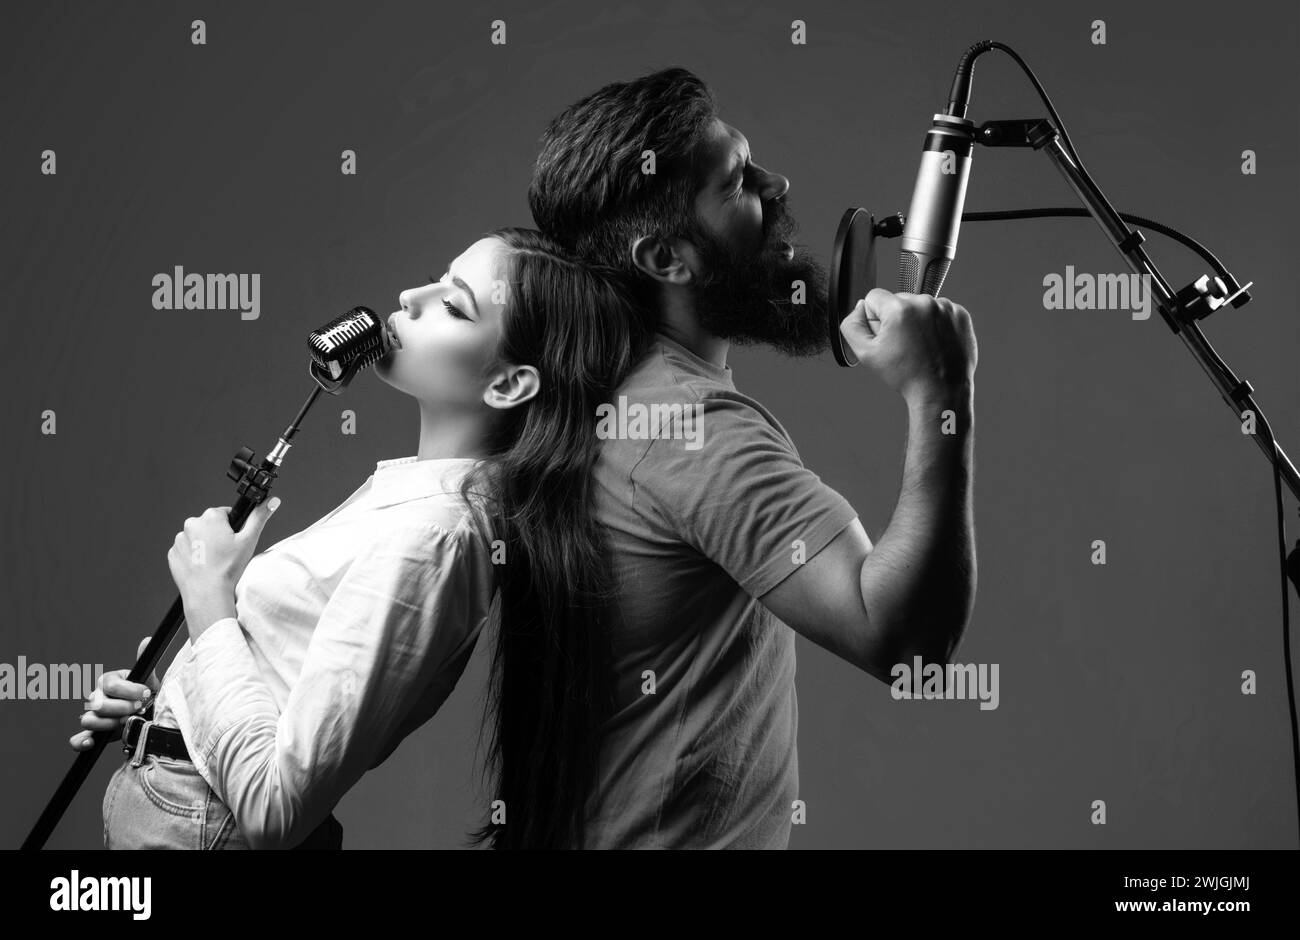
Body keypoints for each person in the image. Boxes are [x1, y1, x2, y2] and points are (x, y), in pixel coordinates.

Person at [502, 66, 980, 847]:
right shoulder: (692, 431)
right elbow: (904, 641)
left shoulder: (606, 394)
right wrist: (942, 391)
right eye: (737, 182)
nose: (777, 181)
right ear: (666, 259)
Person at [72, 227, 649, 849]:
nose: (410, 295)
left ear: (508, 385)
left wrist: (208, 598)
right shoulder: (414, 503)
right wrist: (167, 707)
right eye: (436, 276)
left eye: (454, 305)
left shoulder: (434, 539)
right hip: (177, 807)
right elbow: (281, 687)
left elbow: (275, 810)